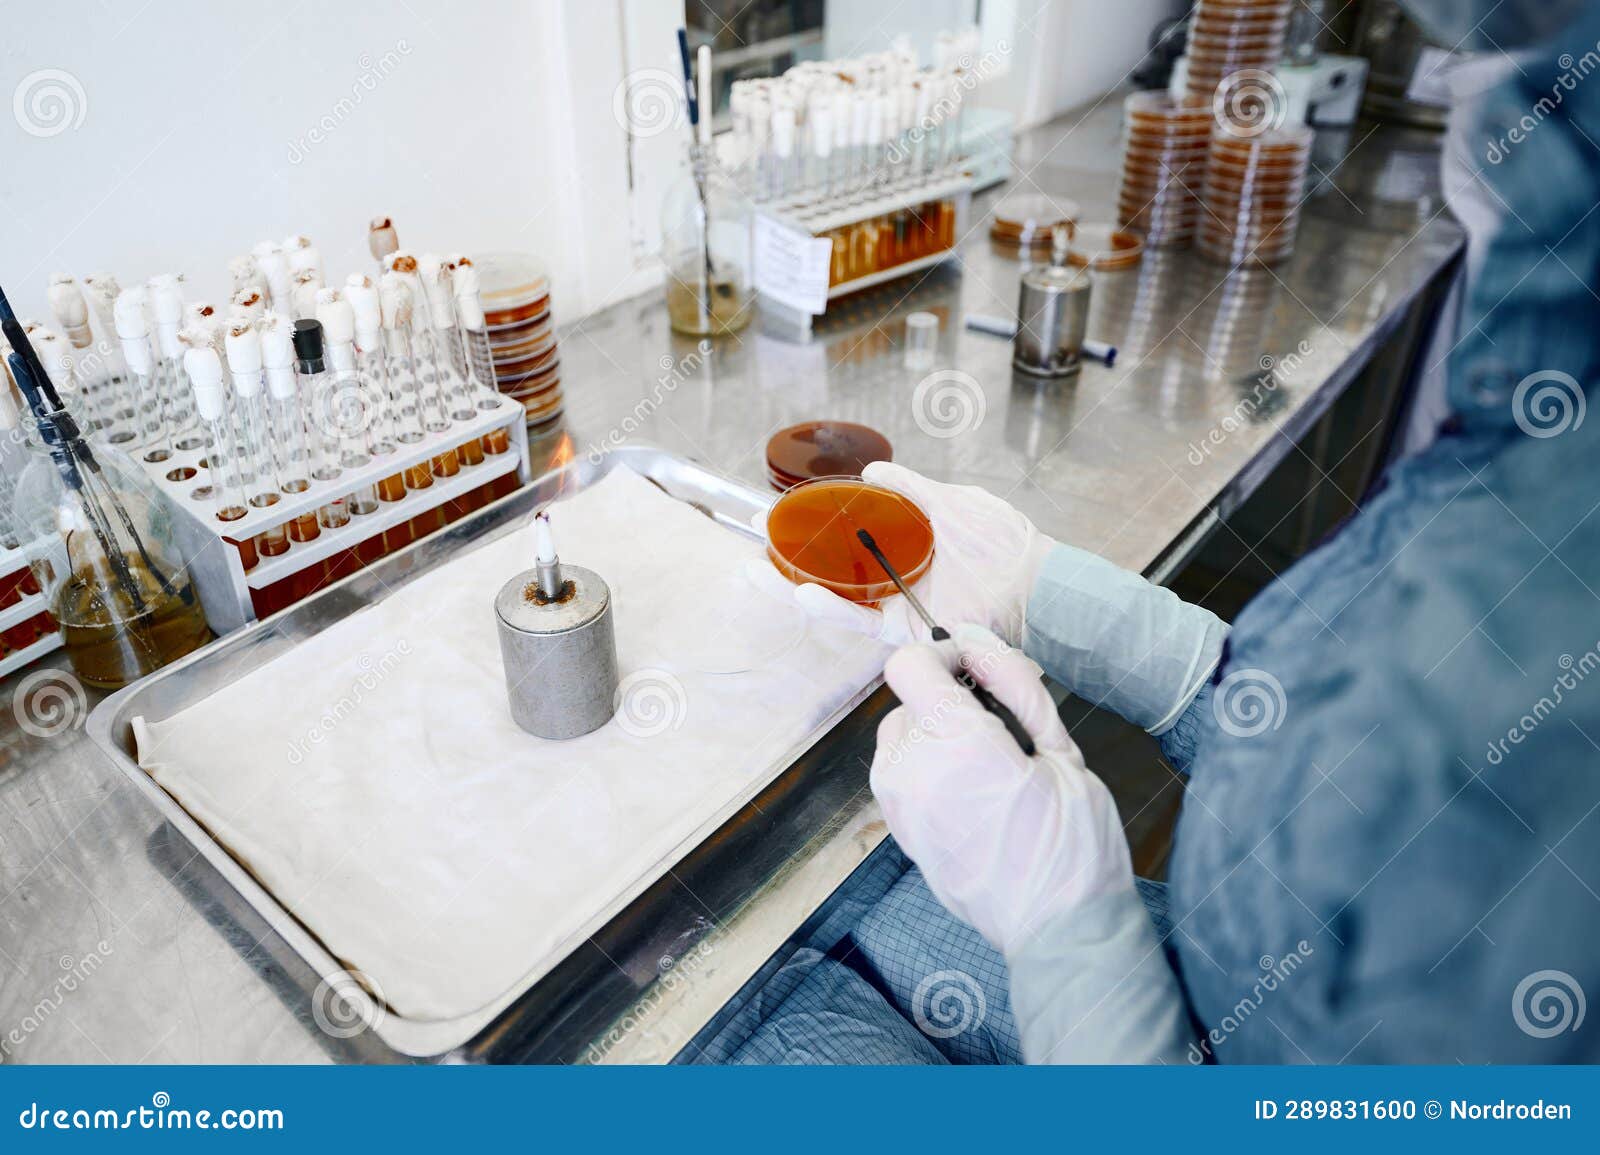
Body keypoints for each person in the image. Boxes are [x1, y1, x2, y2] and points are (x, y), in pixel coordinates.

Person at [708, 0, 1600, 1064]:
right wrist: (1060, 598)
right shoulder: (1557, 382)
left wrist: (1065, 927)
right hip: (1260, 963)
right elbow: (1380, 761)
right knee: (823, 930)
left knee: (741, 1028)